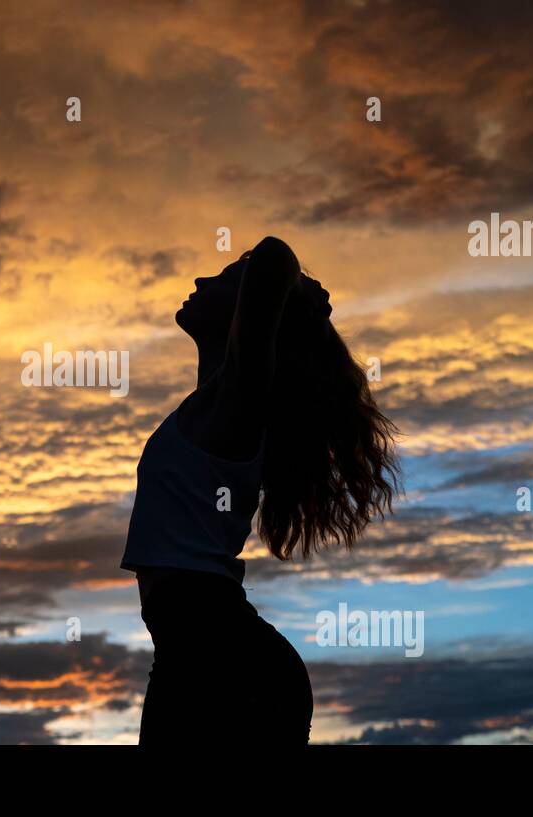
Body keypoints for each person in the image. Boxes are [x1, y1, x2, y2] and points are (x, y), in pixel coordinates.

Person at [122, 236, 400, 745]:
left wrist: (296, 286)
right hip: (198, 657)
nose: (201, 282)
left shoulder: (239, 401)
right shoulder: (217, 399)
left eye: (225, 278)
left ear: (246, 308)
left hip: (223, 664)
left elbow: (273, 255)